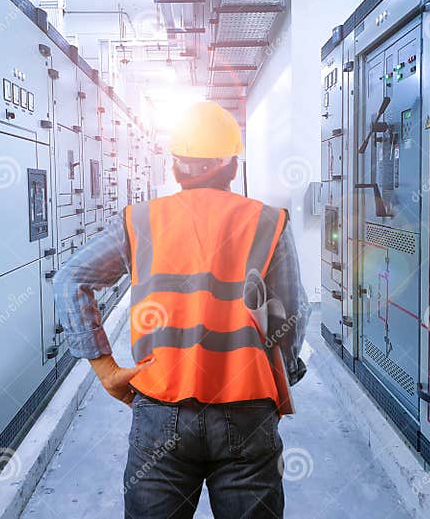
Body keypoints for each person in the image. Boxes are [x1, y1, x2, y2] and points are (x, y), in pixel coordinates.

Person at [53, 101, 309, 519]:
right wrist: (288, 371)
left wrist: (107, 371)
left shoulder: (141, 221)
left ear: (175, 167)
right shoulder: (268, 221)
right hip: (247, 412)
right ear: (232, 167)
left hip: (160, 410)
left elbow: (70, 280)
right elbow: (290, 319)